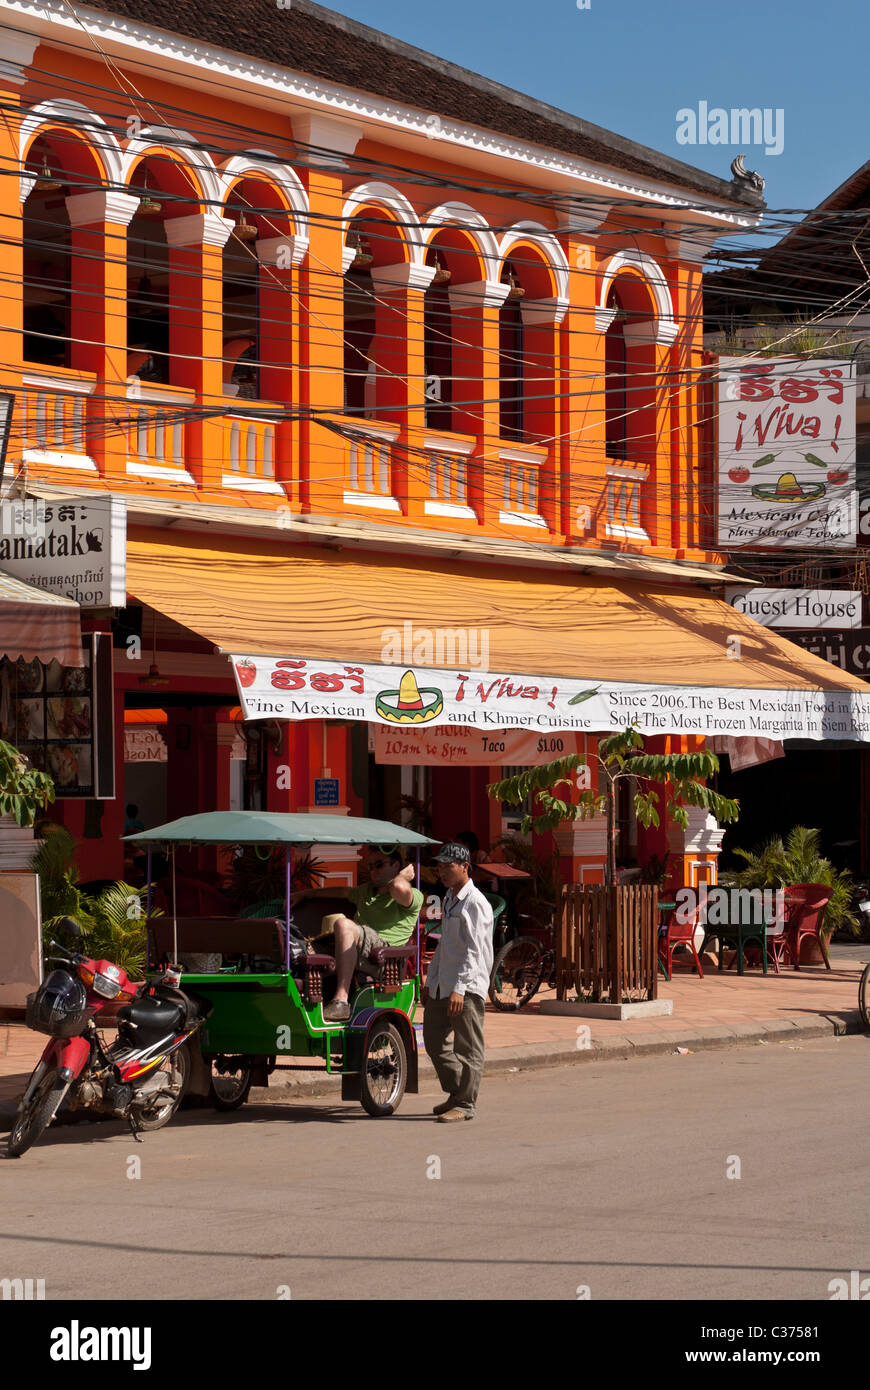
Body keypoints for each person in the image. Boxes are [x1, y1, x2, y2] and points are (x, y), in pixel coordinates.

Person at [292, 848, 423, 1022]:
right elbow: (341, 892)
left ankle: (341, 1000)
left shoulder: (413, 895)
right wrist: (304, 894)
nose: (373, 871)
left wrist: (402, 876)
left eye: (379, 865)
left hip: (386, 958)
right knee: (299, 945)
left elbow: (398, 887)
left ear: (396, 865)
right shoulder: (366, 891)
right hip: (358, 950)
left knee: (343, 924)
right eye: (370, 866)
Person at [423, 842, 493, 1123]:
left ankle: (465, 1104)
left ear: (465, 867)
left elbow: (473, 951)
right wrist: (431, 980)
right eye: (439, 866)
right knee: (433, 1039)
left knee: (468, 1047)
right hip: (444, 984)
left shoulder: (476, 902)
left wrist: (460, 989)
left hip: (466, 987)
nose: (441, 871)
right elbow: (445, 945)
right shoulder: (450, 898)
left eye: (447, 866)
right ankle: (456, 1091)